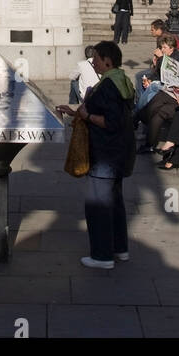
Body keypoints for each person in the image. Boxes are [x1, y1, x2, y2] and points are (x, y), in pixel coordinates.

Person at [56, 41, 135, 269]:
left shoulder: (109, 86)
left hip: (106, 154)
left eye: (97, 59)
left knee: (98, 204)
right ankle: (120, 249)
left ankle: (102, 256)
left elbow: (110, 121)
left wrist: (86, 116)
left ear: (107, 61)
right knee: (115, 203)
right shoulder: (122, 81)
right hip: (120, 152)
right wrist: (76, 112)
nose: (93, 62)